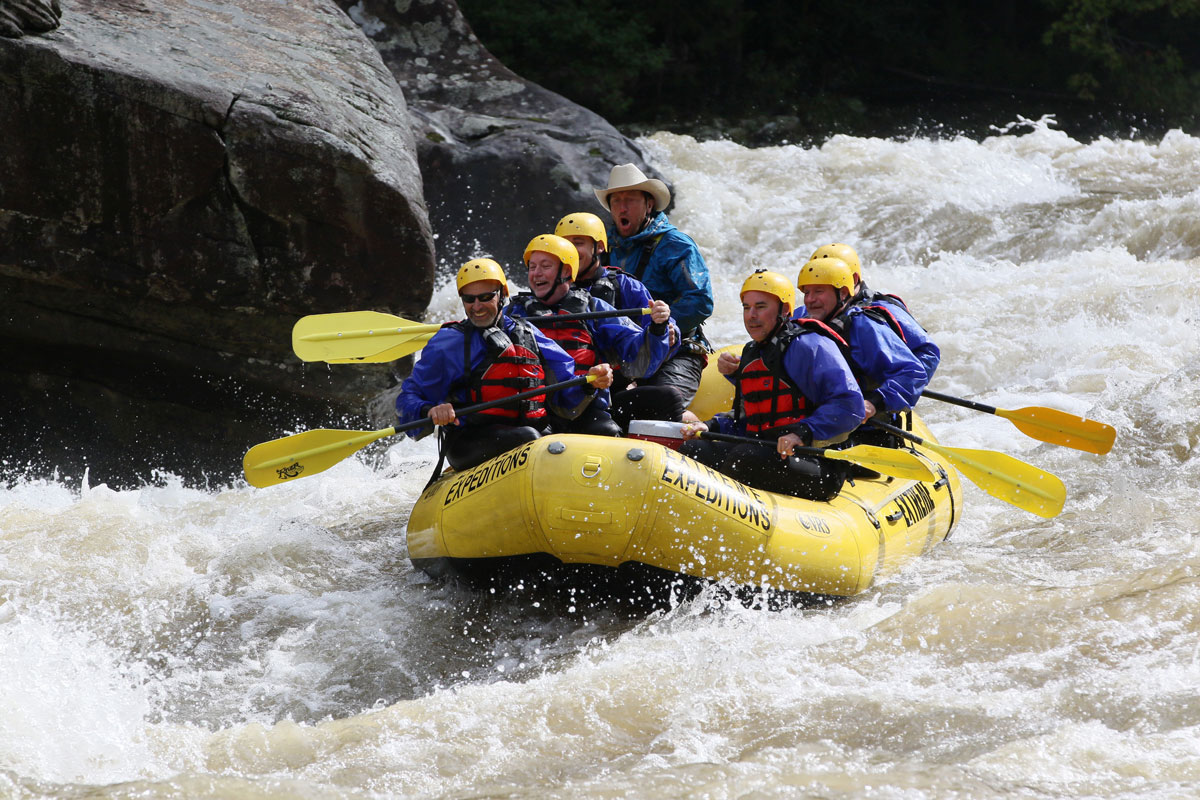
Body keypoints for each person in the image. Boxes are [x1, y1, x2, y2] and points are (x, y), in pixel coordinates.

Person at [396, 258, 613, 471]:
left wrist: (589, 383)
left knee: (598, 430)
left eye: (485, 297)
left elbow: (565, 393)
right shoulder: (448, 343)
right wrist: (430, 409)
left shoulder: (528, 333)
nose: (477, 306)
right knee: (528, 438)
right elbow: (408, 398)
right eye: (469, 299)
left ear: (503, 295)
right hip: (471, 440)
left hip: (532, 434)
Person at [679, 270, 864, 501]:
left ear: (784, 310)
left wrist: (803, 432)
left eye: (760, 307)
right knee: (692, 451)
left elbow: (850, 406)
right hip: (765, 452)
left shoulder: (810, 345)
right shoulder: (751, 352)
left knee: (745, 458)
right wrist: (710, 427)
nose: (751, 316)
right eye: (746, 308)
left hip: (816, 462)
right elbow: (749, 420)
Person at [506, 234, 673, 436]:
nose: (536, 274)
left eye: (545, 266)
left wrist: (657, 328)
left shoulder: (593, 307)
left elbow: (637, 353)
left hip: (585, 406)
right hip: (533, 410)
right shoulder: (513, 314)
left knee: (610, 429)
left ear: (566, 271)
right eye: (532, 267)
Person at [595, 163, 714, 407]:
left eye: (630, 200)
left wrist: (663, 327)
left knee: (661, 403)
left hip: (678, 351)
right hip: (621, 350)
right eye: (616, 201)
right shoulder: (601, 246)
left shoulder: (676, 245)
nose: (622, 207)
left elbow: (700, 300)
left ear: (649, 204)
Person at [556, 211, 686, 425]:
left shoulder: (624, 285)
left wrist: (669, 331)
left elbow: (659, 328)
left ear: (598, 247)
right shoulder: (550, 288)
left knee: (667, 398)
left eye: (577, 243)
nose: (570, 250)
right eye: (564, 244)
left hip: (613, 387)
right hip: (566, 390)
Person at [796, 256, 926, 433]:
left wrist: (873, 403)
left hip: (866, 430)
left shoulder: (864, 326)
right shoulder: (800, 324)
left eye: (819, 291)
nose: (810, 300)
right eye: (806, 293)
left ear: (842, 293)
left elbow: (913, 372)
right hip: (815, 425)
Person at [800, 243, 940, 389]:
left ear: (852, 279)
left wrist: (897, 390)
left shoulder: (881, 311)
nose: (811, 298)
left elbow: (928, 353)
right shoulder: (807, 312)